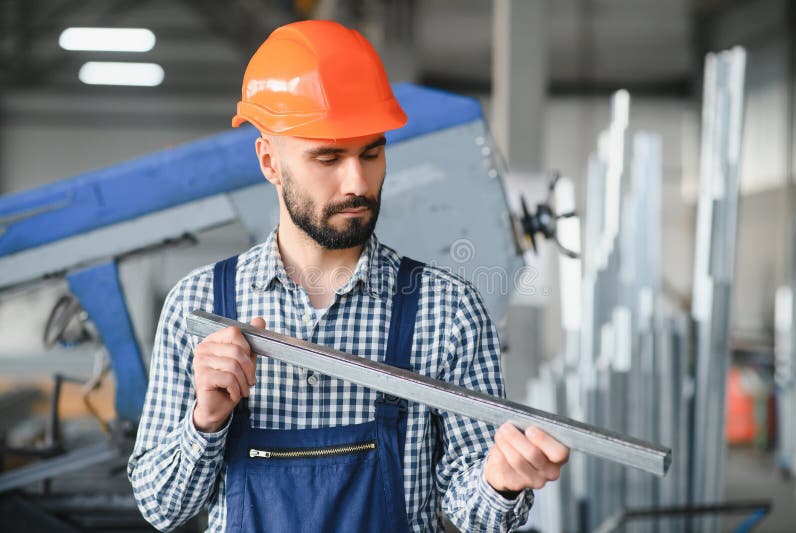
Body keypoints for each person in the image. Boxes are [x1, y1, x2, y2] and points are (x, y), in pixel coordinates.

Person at [128, 19, 569, 533]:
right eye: (329, 157)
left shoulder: (446, 311)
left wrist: (499, 481)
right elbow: (161, 508)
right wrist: (205, 422)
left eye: (371, 152)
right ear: (270, 160)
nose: (357, 182)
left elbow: (476, 513)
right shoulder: (199, 305)